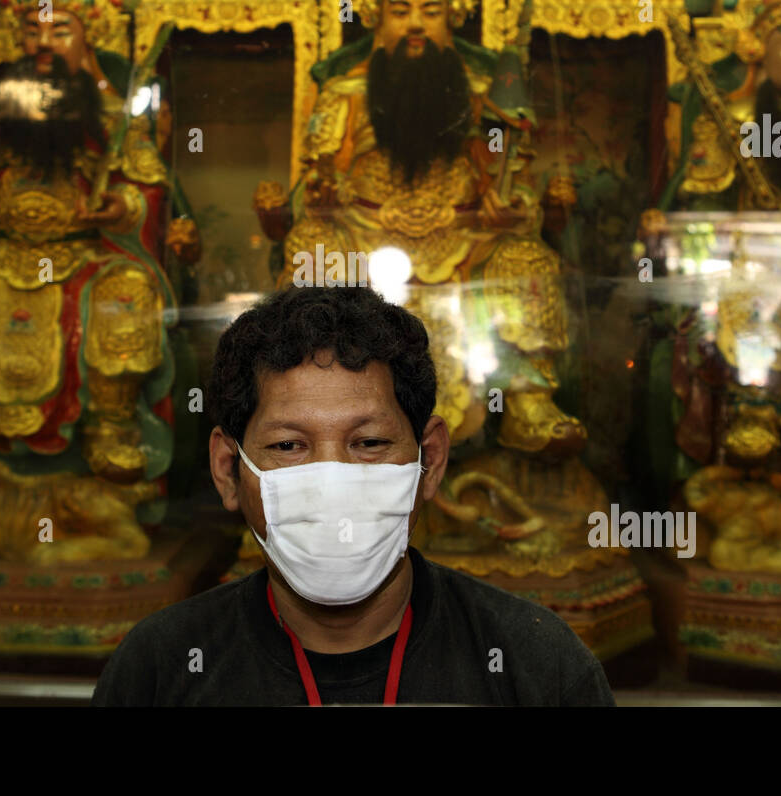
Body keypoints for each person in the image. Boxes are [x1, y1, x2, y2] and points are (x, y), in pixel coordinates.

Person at [92, 285, 615, 705]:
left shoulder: (538, 668)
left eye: (369, 443)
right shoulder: (160, 669)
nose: (331, 478)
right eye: (288, 445)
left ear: (429, 461)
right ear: (228, 471)